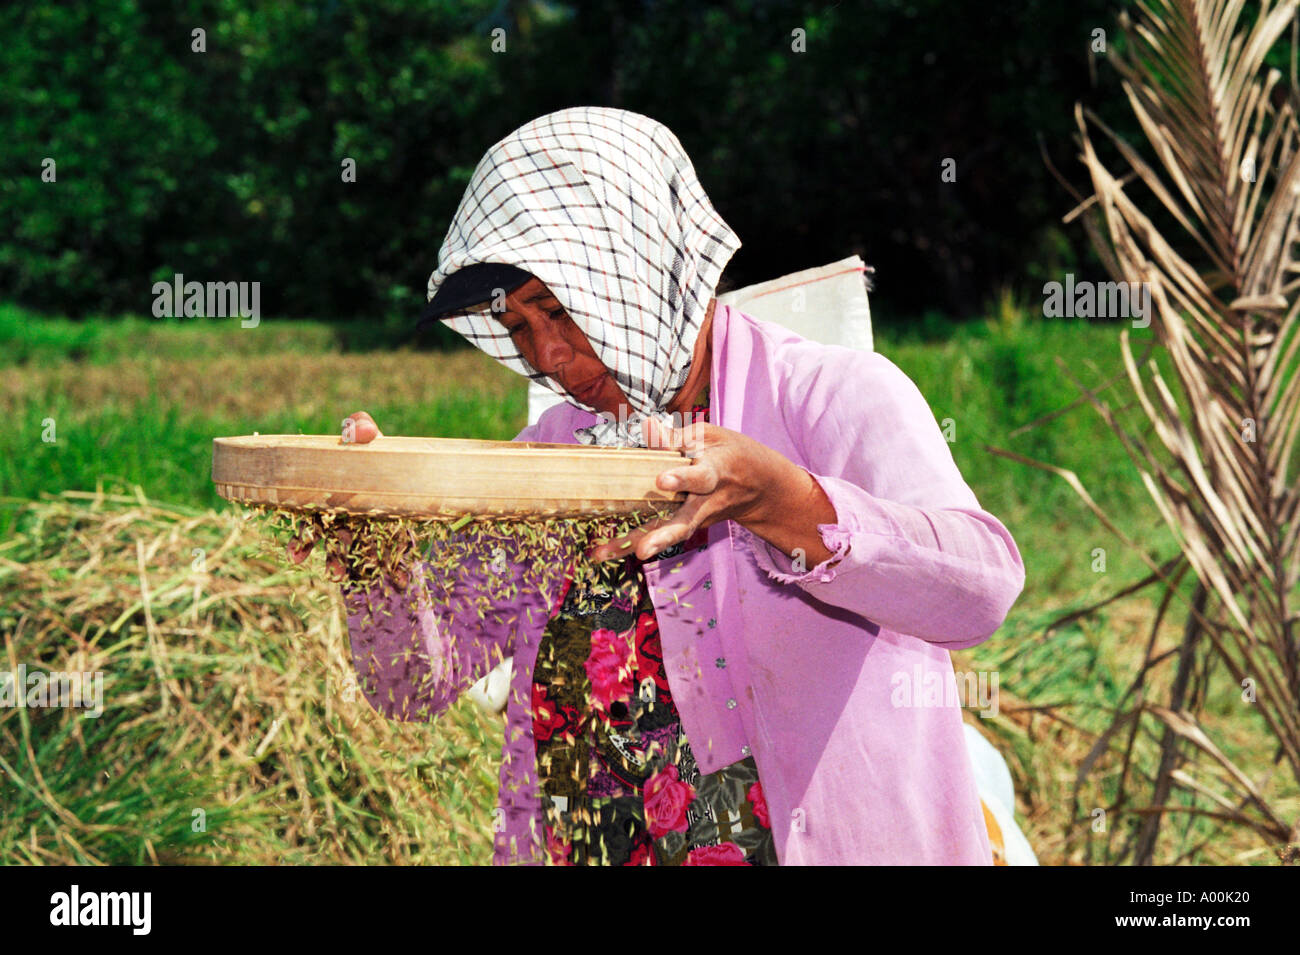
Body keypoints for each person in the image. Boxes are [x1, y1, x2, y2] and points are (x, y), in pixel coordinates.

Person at [291, 106, 1026, 865]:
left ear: (637, 265)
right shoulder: (551, 460)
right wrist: (371, 551)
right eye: (515, 326)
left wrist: (783, 503)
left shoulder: (827, 396)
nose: (546, 356)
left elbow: (983, 588)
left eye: (556, 308)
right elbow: (412, 685)